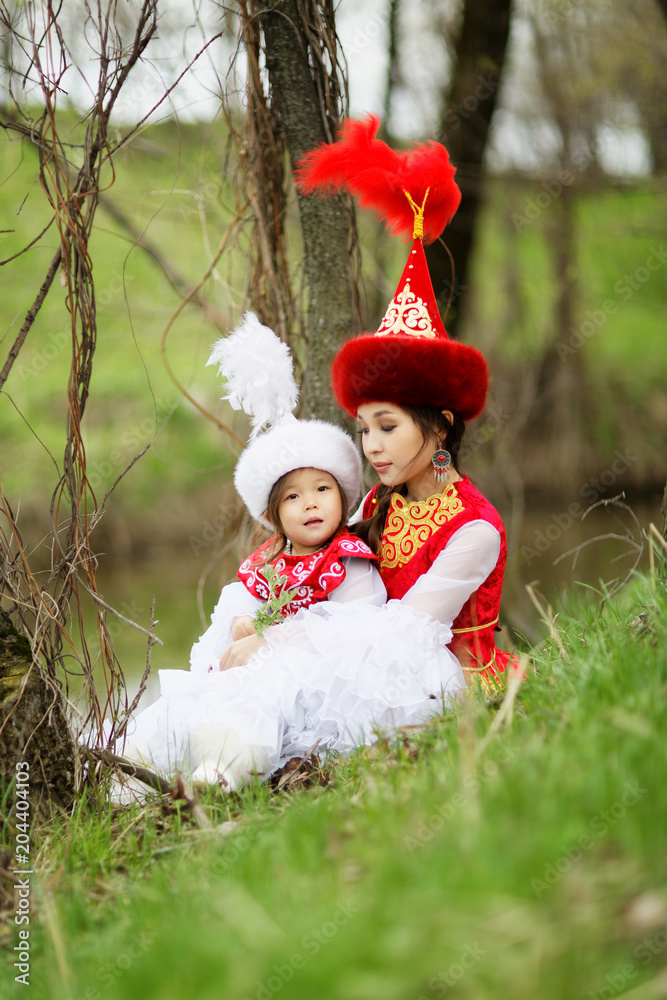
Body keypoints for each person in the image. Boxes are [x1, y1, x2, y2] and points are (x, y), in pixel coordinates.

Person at [121, 313, 465, 794]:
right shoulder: (282, 557)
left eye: (323, 489)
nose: (310, 504)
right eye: (292, 497)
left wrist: (274, 639)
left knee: (269, 688)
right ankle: (144, 760)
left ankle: (226, 768)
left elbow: (360, 625)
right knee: (216, 687)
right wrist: (247, 626)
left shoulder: (347, 557)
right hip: (277, 656)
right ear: (274, 515)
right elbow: (248, 604)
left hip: (337, 666)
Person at [298, 113, 520, 693]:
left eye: (387, 426)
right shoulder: (377, 501)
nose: (370, 445)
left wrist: (288, 643)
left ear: (441, 426)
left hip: (442, 682)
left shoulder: (475, 528)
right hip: (369, 664)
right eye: (364, 428)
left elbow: (405, 631)